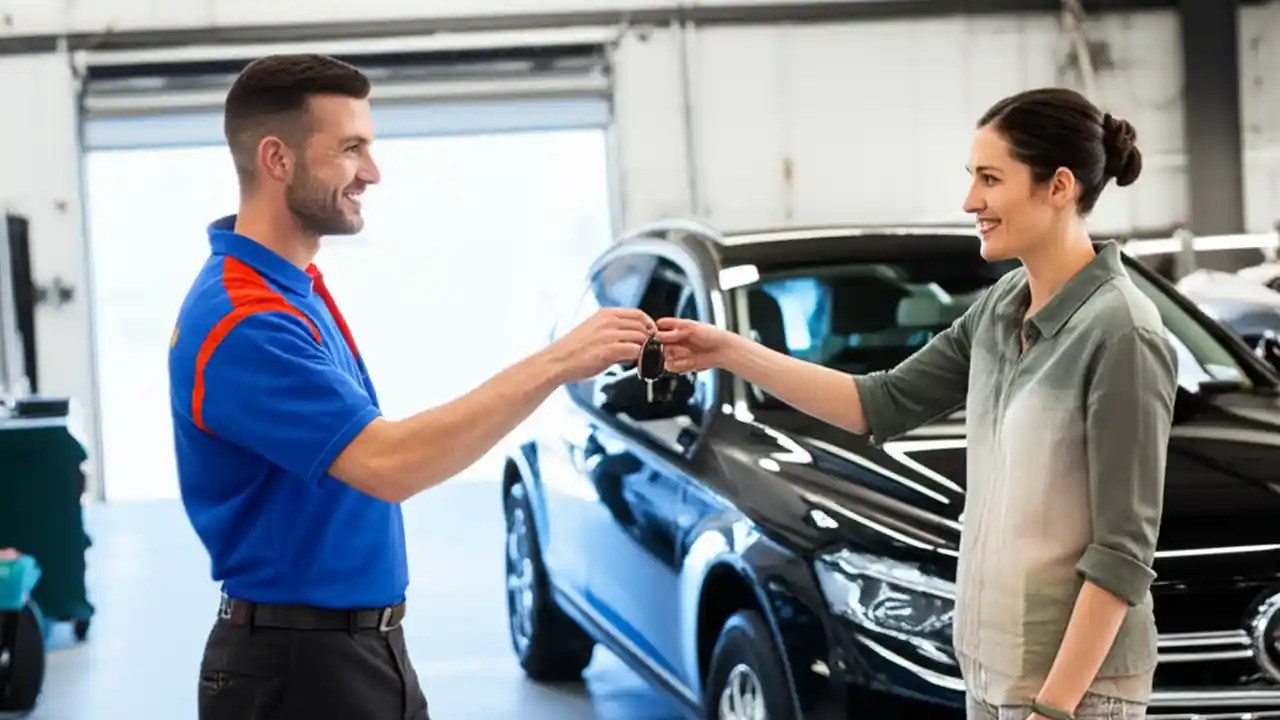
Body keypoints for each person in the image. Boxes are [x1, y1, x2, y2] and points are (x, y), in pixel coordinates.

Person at [655, 87, 1177, 720]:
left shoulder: (1122, 331)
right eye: (972, 177)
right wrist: (728, 350)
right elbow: (878, 402)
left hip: (1076, 692)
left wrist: (1054, 708)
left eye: (990, 179)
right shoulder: (1002, 307)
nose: (970, 201)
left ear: (1059, 186)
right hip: (993, 674)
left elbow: (1123, 553)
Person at [166, 53, 655, 720]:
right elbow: (389, 463)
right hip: (302, 670)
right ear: (277, 159)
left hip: (349, 651)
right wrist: (558, 363)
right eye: (350, 149)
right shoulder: (244, 321)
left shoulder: (289, 287)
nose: (372, 172)